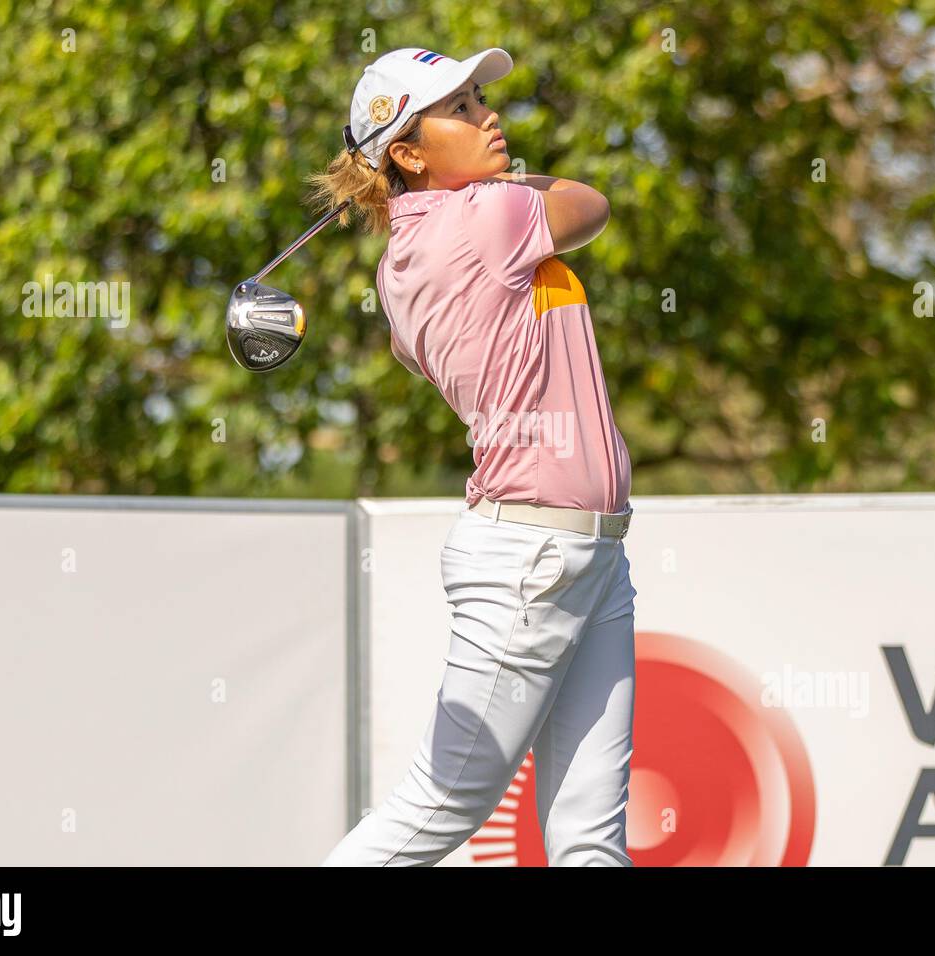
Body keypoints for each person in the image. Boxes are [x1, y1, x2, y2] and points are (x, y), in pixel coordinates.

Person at [309, 46, 636, 866]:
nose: (489, 115)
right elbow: (590, 206)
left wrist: (470, 182)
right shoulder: (484, 218)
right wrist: (503, 182)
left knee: (589, 837)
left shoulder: (402, 260)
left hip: (585, 555)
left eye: (480, 96)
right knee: (440, 809)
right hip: (535, 556)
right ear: (408, 154)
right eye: (460, 107)